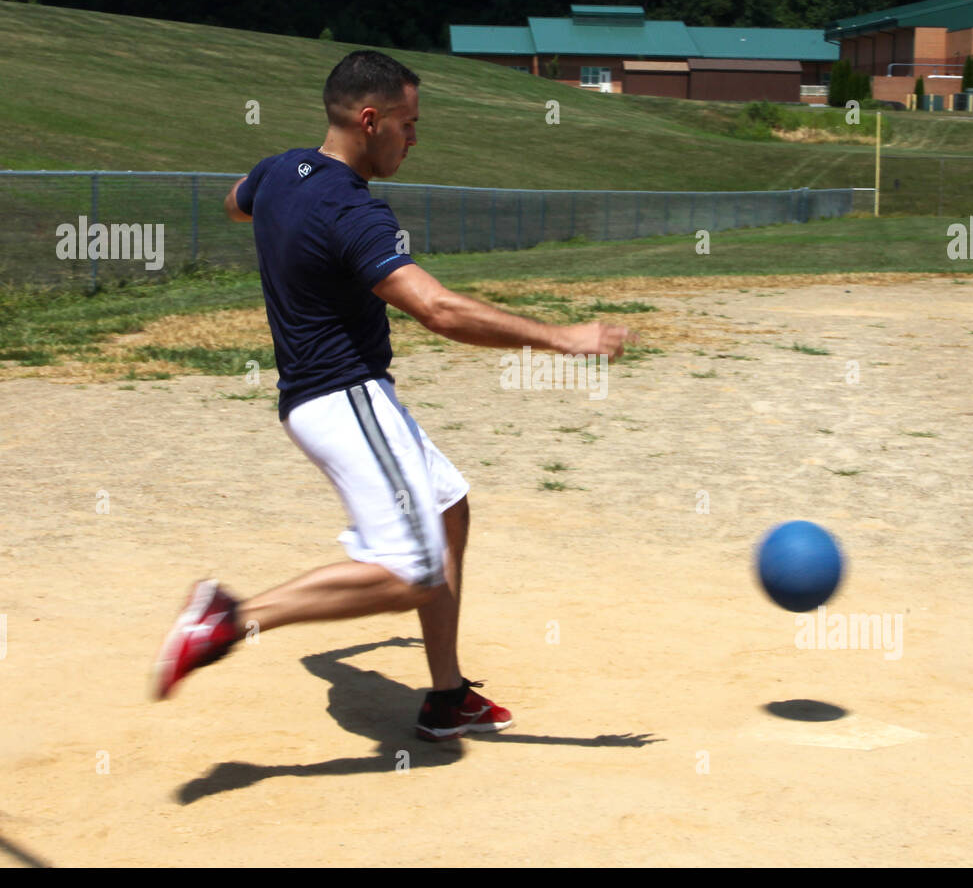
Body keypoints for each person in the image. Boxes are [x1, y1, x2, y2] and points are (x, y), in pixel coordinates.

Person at [152, 50, 632, 741]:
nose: (414, 138)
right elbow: (436, 309)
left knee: (448, 505)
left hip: (320, 398)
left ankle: (446, 694)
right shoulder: (353, 212)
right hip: (345, 397)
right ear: (370, 120)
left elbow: (236, 202)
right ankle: (229, 618)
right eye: (407, 124)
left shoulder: (282, 170)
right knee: (411, 571)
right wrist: (564, 338)